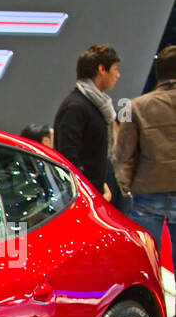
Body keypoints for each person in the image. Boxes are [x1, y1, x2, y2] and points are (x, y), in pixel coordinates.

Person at [114, 44, 176, 243]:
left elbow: (123, 154)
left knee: (146, 256)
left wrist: (125, 186)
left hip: (148, 187)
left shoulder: (136, 106)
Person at [54, 44, 120, 200]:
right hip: (81, 196)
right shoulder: (76, 107)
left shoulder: (94, 105)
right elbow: (68, 157)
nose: (118, 75)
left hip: (92, 192)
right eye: (115, 69)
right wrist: (87, 191)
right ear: (102, 69)